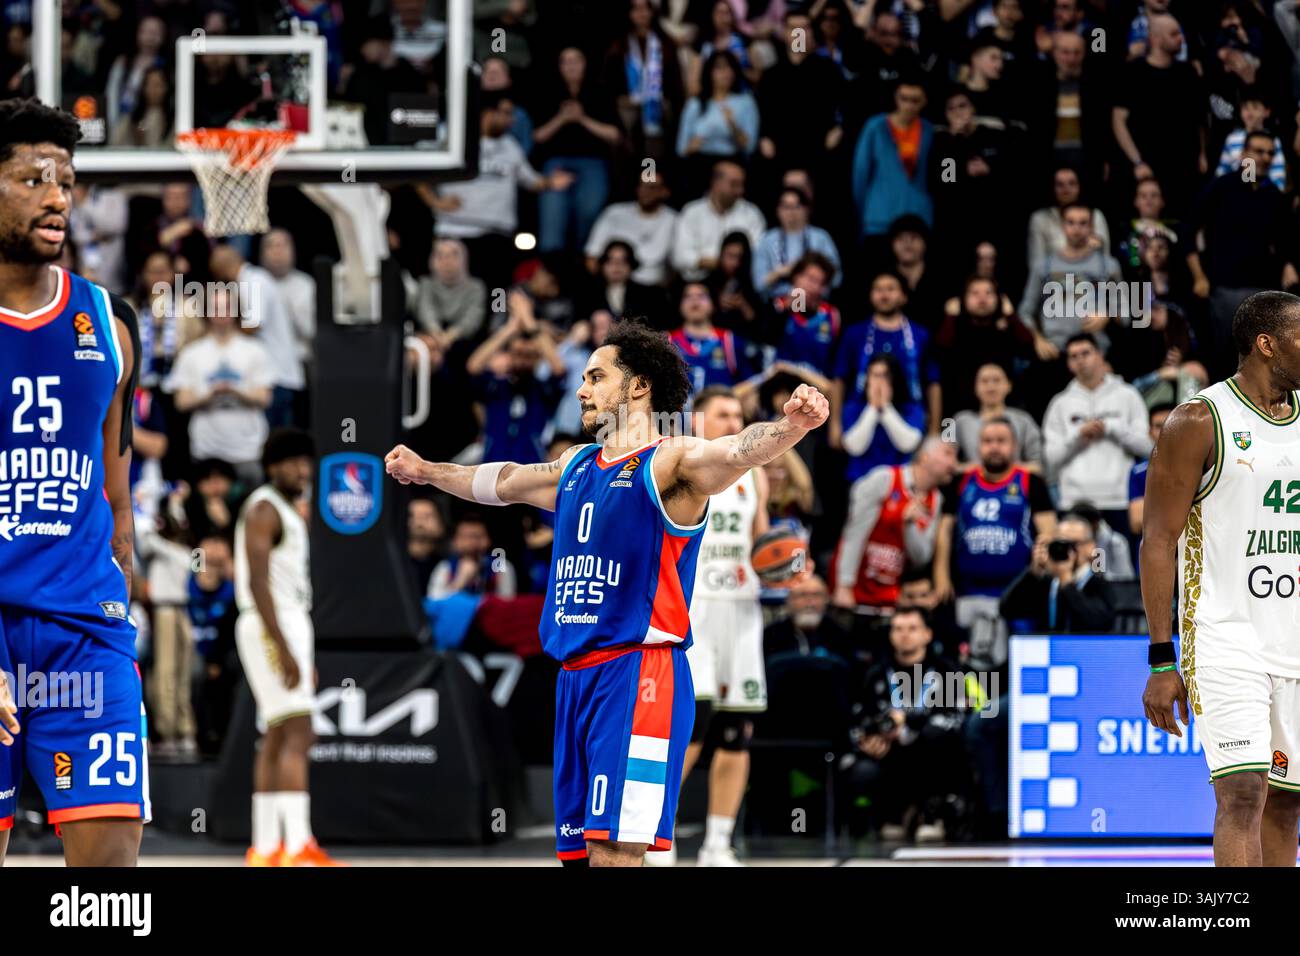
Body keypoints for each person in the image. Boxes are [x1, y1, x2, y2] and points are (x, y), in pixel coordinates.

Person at [383, 321, 830, 867]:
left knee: (615, 851)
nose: (581, 388)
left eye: (596, 376)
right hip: (575, 676)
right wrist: (428, 471)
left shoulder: (671, 461)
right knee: (581, 858)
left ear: (638, 386)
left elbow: (737, 451)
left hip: (640, 673)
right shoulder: (574, 466)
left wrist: (791, 427)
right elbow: (502, 481)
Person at [0, 99, 146, 867]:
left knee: (110, 882)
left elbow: (115, 498)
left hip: (82, 633)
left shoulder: (110, 321)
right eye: (32, 179)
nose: (57, 197)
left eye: (67, 179)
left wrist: (126, 588)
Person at [1141, 291, 1300, 867]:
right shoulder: (1199, 421)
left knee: (1286, 806)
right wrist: (1162, 659)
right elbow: (1157, 541)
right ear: (1267, 344)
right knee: (1242, 796)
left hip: (1293, 636)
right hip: (1224, 637)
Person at [662, 387, 773, 867]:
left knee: (736, 731)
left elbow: (762, 544)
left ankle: (717, 843)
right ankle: (656, 836)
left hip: (742, 608)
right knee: (690, 726)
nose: (735, 421)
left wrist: (785, 564)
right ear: (697, 421)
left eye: (739, 414)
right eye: (724, 413)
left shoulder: (755, 475)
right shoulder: (677, 463)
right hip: (694, 607)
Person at [235, 428, 339, 866]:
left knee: (277, 735)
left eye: (307, 462)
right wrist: (284, 646)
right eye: (295, 462)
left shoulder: (284, 508)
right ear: (273, 465)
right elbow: (258, 583)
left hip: (283, 622)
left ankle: (264, 847)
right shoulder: (264, 508)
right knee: (299, 732)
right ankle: (297, 847)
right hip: (270, 622)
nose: (304, 470)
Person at [934, 417, 1056, 669]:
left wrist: (1041, 564)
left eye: (1001, 441)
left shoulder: (1030, 482)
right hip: (967, 591)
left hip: (1016, 595)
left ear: (1014, 445)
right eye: (988, 441)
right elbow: (944, 532)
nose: (994, 447)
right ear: (979, 446)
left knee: (1012, 667)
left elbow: (1049, 533)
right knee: (968, 665)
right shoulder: (961, 482)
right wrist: (940, 575)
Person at [164, 285, 274, 485]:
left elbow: (265, 397)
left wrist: (235, 391)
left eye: (227, 307)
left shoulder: (255, 350)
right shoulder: (192, 353)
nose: (221, 314)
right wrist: (210, 394)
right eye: (216, 307)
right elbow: (181, 402)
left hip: (248, 450)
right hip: (207, 450)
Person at [1042, 334, 1153, 530]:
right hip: (1074, 501)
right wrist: (1078, 435)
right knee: (1083, 560)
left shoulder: (1127, 395)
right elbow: (1050, 459)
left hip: (1119, 498)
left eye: (1085, 353)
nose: (1080, 360)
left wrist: (1111, 428)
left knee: (1117, 560)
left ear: (1100, 355)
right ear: (1068, 363)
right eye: (1073, 356)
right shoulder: (1059, 403)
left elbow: (1147, 447)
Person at [998, 511, 1115, 632]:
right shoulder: (1046, 583)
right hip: (1048, 648)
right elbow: (1007, 609)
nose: (1067, 550)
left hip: (1085, 649)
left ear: (1090, 546)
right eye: (1061, 543)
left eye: (1074, 544)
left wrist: (1067, 583)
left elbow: (1098, 622)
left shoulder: (1099, 583)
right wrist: (1033, 573)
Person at [671, 159, 766, 282]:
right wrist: (723, 263)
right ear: (716, 183)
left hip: (737, 283)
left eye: (742, 184)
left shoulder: (752, 214)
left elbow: (756, 255)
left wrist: (704, 260)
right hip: (697, 283)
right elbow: (680, 257)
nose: (740, 190)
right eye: (734, 184)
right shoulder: (691, 212)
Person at [584, 171, 677, 286]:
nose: (645, 192)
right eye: (641, 186)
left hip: (651, 288)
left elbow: (676, 263)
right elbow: (591, 257)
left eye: (652, 187)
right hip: (611, 285)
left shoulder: (673, 220)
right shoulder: (614, 213)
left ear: (665, 192)